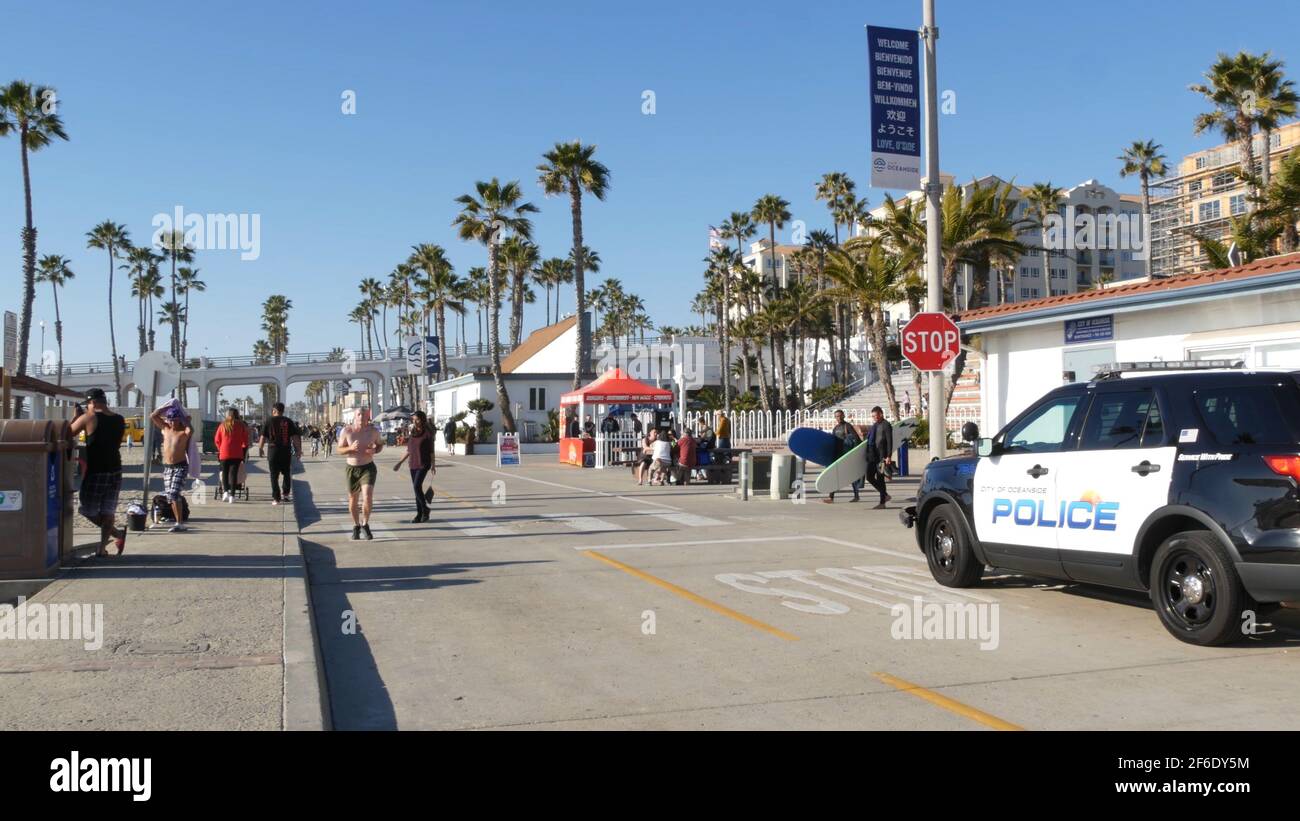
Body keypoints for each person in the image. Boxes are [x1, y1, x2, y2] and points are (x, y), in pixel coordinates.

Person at [70, 389, 127, 556]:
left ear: (92, 403)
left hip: (97, 472)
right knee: (108, 511)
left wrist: (76, 417)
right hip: (115, 470)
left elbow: (66, 433)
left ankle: (116, 534)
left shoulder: (89, 417)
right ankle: (102, 548)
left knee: (86, 510)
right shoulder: (119, 419)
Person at [338, 407, 383, 540]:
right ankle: (356, 525)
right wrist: (350, 448)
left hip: (368, 467)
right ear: (354, 416)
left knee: (367, 496)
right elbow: (339, 449)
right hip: (352, 468)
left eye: (364, 415)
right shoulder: (347, 431)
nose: (361, 418)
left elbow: (380, 445)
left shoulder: (373, 431)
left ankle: (365, 523)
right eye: (359, 415)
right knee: (353, 498)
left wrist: (375, 451)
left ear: (368, 417)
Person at [149, 399, 195, 532]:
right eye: (170, 419)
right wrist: (167, 405)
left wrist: (186, 419)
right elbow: (153, 416)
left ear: (179, 420)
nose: (172, 422)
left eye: (175, 419)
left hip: (180, 466)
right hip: (168, 467)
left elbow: (190, 429)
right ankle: (177, 521)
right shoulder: (165, 429)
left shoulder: (183, 432)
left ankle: (179, 523)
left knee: (174, 494)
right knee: (170, 496)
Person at [394, 410, 434, 523]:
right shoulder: (413, 432)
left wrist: (433, 465)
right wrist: (399, 463)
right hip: (413, 464)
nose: (415, 422)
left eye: (417, 419)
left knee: (416, 487)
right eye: (413, 420)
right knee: (418, 490)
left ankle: (425, 509)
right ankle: (420, 514)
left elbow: (431, 451)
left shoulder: (428, 433)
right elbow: (409, 450)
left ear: (422, 419)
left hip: (424, 464)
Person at [258, 402, 302, 506]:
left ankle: (276, 498)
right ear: (282, 411)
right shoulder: (288, 421)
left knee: (274, 476)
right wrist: (298, 450)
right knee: (286, 473)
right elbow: (295, 437)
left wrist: (260, 448)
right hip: (286, 451)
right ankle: (286, 494)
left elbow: (263, 437)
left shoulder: (268, 421)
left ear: (274, 411)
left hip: (273, 451)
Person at [823, 409, 863, 504]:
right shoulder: (836, 428)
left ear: (843, 416)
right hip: (838, 455)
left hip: (846, 454)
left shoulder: (847, 426)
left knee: (851, 475)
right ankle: (831, 497)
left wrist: (854, 453)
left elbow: (856, 439)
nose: (839, 417)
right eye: (837, 416)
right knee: (834, 475)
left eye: (840, 415)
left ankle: (856, 496)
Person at [214, 407, 250, 503]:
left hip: (224, 453)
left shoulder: (222, 425)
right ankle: (232, 496)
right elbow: (245, 442)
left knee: (225, 473)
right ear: (237, 414)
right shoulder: (241, 425)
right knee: (234, 474)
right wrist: (243, 451)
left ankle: (225, 492)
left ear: (227, 415)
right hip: (237, 453)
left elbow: (217, 440)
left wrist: (220, 449)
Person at [865, 405, 894, 509]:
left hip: (882, 457)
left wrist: (888, 456)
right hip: (873, 456)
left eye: (876, 416)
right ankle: (885, 495)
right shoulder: (875, 426)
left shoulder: (886, 425)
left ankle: (882, 502)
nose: (874, 418)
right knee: (869, 476)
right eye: (873, 416)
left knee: (880, 478)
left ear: (881, 414)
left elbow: (890, 441)